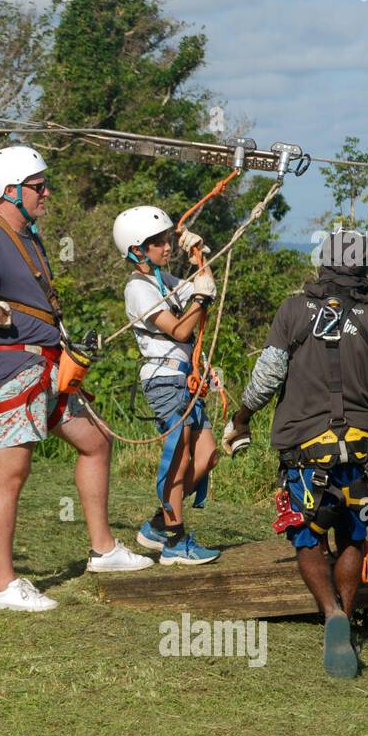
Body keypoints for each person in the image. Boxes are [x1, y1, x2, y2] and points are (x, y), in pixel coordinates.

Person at [0, 144, 152, 613]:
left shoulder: (27, 235)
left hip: (47, 367)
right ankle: (3, 586)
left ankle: (103, 549)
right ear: (11, 191)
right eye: (38, 187)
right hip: (15, 370)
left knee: (96, 440)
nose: (46, 193)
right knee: (10, 472)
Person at [222, 230, 368, 678]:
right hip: (359, 451)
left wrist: (241, 418)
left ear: (322, 267)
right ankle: (346, 621)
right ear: (363, 272)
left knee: (309, 537)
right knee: (353, 536)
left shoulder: (293, 311)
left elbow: (266, 379)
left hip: (305, 452)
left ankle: (331, 612)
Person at [113, 205, 223, 565]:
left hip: (186, 378)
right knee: (181, 457)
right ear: (136, 250)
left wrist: (198, 254)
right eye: (157, 243)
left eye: (165, 240)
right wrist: (200, 296)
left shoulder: (166, 281)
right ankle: (175, 540)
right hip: (165, 380)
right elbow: (179, 329)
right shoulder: (138, 289)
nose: (166, 246)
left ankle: (159, 525)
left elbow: (202, 286)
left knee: (206, 455)